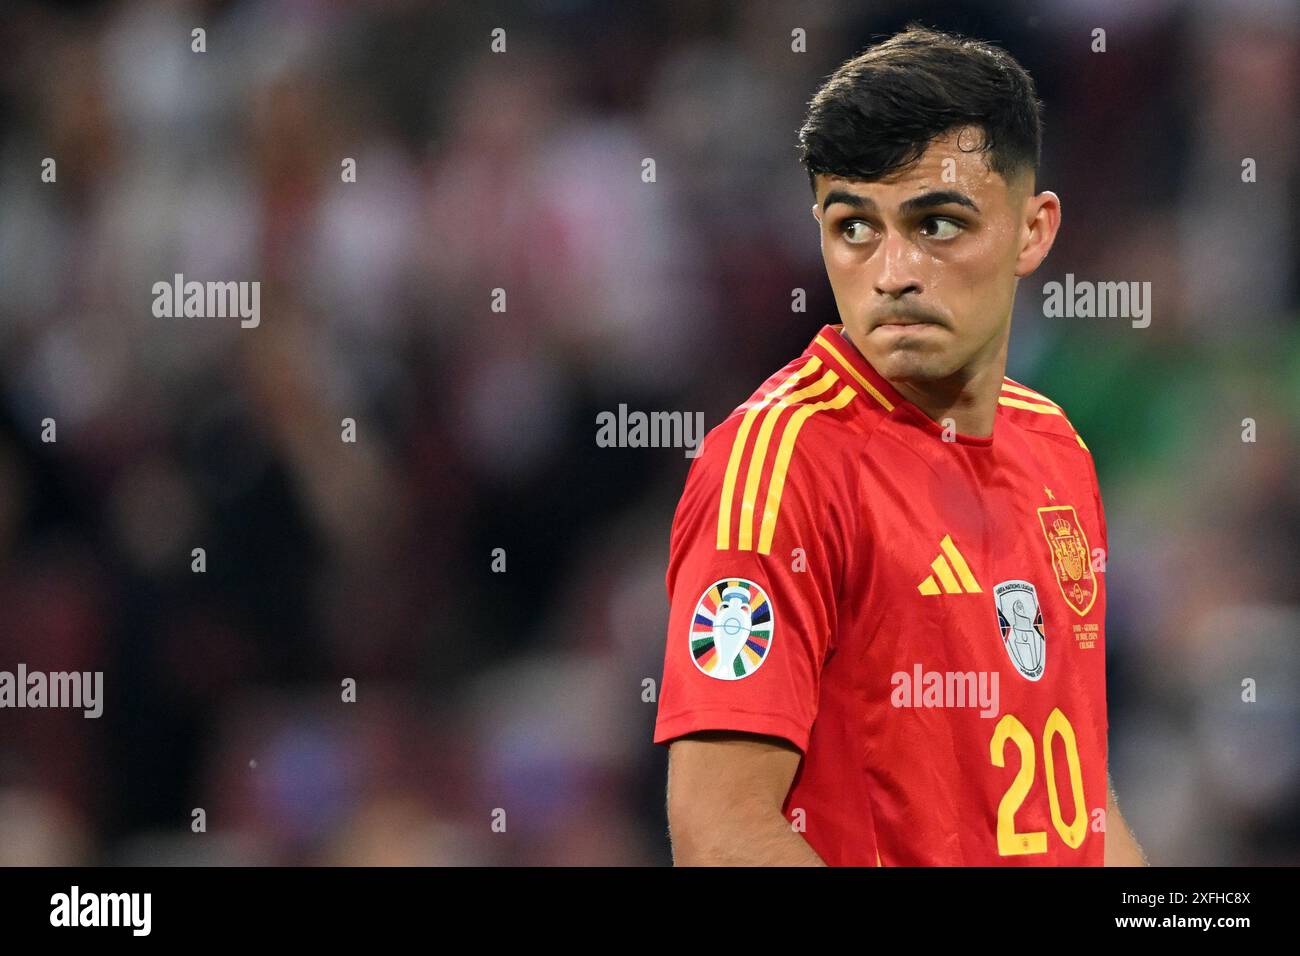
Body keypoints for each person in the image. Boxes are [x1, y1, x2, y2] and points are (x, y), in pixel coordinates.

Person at [652, 24, 1147, 866]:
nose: (892, 273)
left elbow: (1082, 802)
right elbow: (722, 828)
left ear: (1034, 232)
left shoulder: (1057, 449)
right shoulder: (778, 466)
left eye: (938, 225)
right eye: (854, 228)